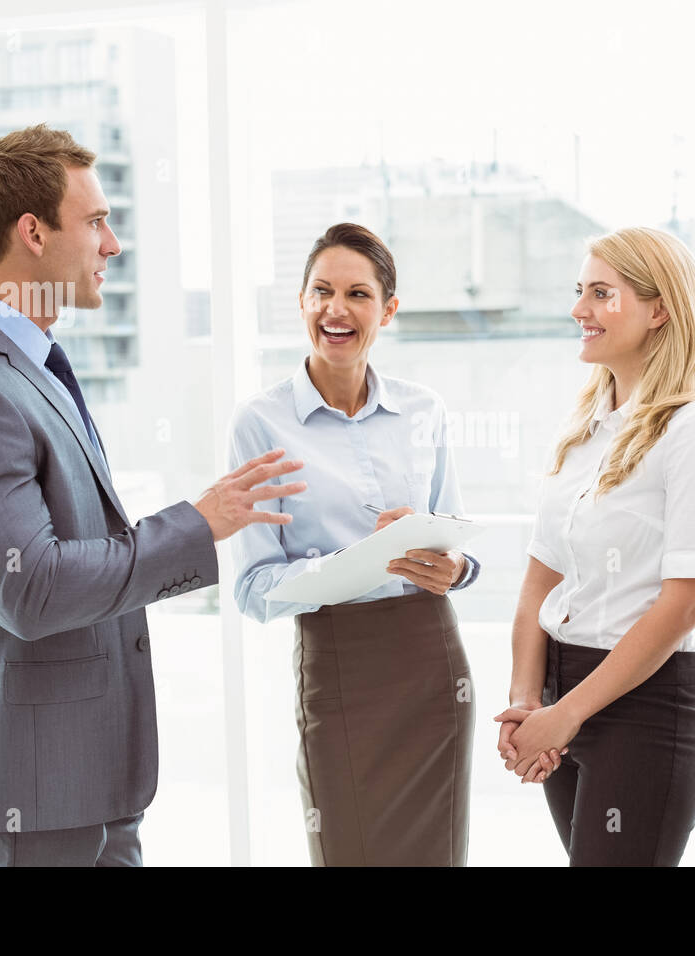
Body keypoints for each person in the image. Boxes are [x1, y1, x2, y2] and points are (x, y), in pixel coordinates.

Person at [0, 124, 306, 867]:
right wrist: (197, 525)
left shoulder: (29, 364)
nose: (113, 244)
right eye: (97, 221)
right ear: (32, 233)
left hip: (89, 782)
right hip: (36, 789)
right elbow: (34, 587)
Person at [230, 223, 481, 866]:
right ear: (302, 302)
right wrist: (354, 566)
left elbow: (459, 543)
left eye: (358, 294)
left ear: (387, 311)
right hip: (338, 663)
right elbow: (255, 590)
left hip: (431, 660)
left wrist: (453, 566)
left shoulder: (425, 410)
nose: (336, 309)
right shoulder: (261, 423)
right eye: (321, 291)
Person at [495, 226, 695, 866]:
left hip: (646, 707)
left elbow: (685, 604)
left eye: (602, 293)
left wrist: (566, 715)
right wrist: (528, 705)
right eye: (580, 292)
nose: (580, 309)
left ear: (660, 309)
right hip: (560, 693)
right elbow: (538, 586)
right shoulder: (582, 433)